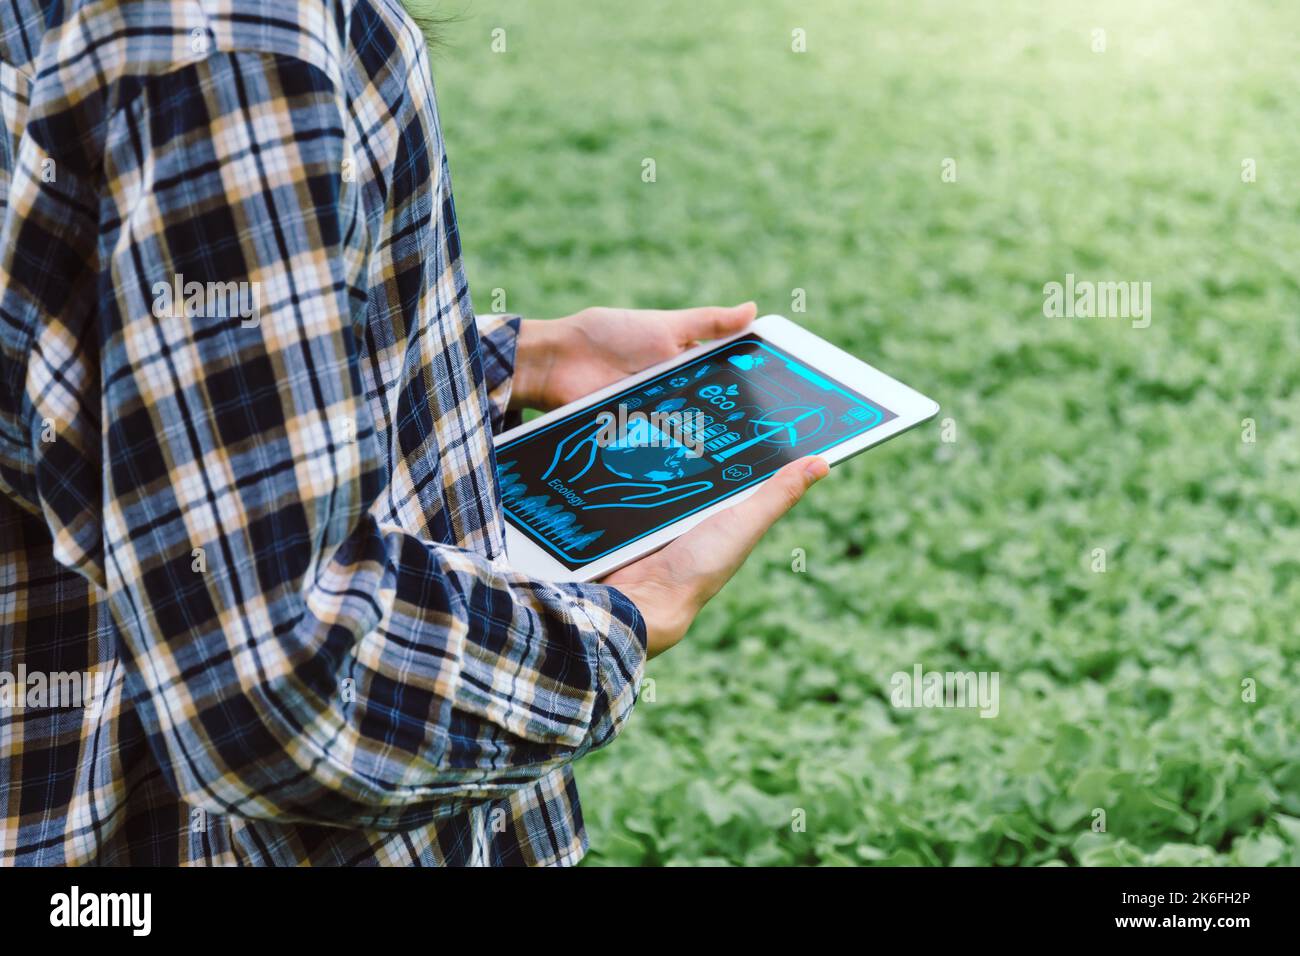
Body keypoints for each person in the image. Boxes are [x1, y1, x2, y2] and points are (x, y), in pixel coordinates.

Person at [0, 0, 826, 865]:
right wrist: (614, 626)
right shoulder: (227, 35)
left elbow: (100, 370)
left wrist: (521, 358)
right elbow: (291, 682)